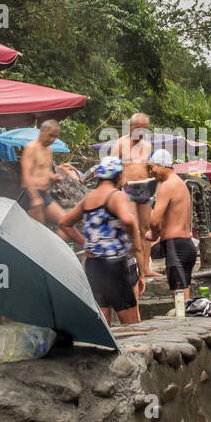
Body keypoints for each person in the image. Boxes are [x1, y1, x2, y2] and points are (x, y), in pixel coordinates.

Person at [59, 156, 144, 325]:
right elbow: (127, 220)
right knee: (132, 326)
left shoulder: (89, 198)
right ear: (119, 176)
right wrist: (135, 243)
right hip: (114, 266)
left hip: (93, 266)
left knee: (103, 323)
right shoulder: (116, 196)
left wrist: (87, 243)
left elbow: (64, 223)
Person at [19, 119, 85, 245]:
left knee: (67, 224)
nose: (52, 139)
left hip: (45, 193)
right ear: (42, 131)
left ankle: (53, 247)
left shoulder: (48, 150)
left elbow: (44, 169)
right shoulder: (31, 148)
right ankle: (42, 252)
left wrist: (54, 177)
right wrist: (34, 197)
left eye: (55, 136)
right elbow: (26, 174)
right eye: (50, 135)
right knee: (39, 233)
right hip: (30, 193)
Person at [110, 113, 157, 279]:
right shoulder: (120, 143)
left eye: (144, 128)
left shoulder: (148, 146)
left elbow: (150, 166)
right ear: (131, 127)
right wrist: (119, 180)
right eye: (138, 128)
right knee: (132, 227)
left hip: (144, 187)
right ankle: (133, 267)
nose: (141, 132)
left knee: (147, 228)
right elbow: (111, 167)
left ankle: (145, 267)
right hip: (127, 188)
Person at [147, 148, 197, 300]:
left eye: (152, 167)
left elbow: (154, 220)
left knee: (180, 301)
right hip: (187, 246)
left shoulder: (167, 186)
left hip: (176, 248)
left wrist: (154, 234)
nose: (150, 172)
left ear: (162, 166)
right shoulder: (181, 184)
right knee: (185, 301)